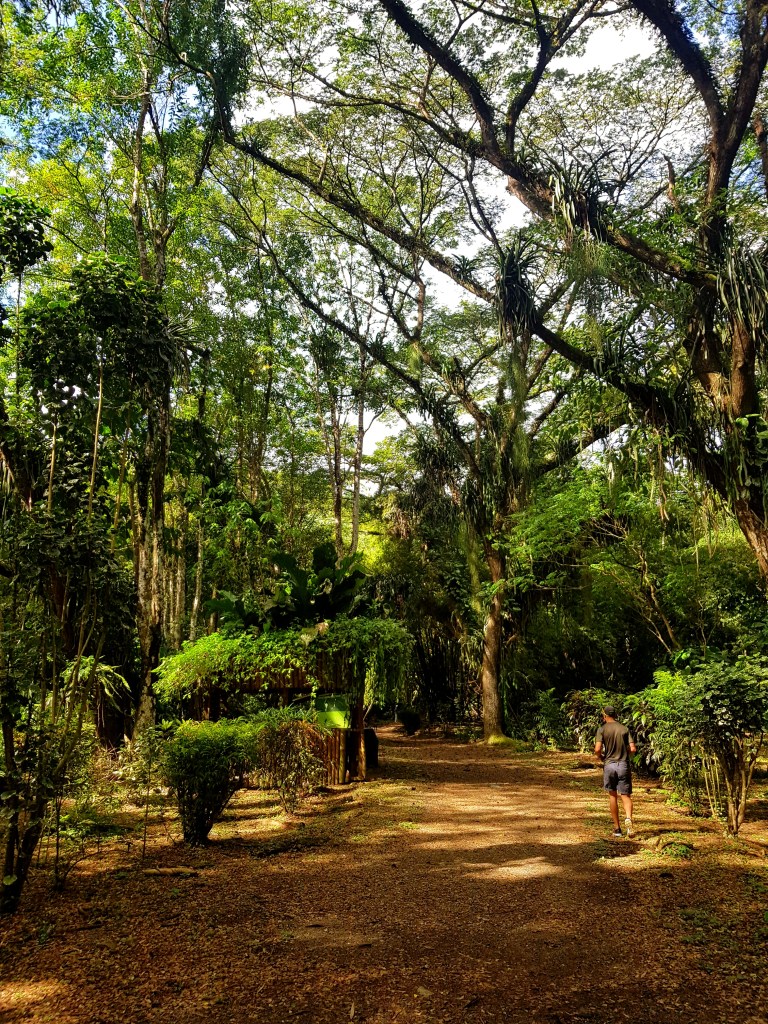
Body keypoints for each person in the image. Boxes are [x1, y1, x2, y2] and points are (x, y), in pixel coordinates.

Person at [594, 705, 637, 837]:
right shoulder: (624, 729)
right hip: (623, 764)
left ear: (605, 716)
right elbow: (633, 749)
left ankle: (617, 829)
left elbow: (597, 749)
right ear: (615, 715)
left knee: (613, 795)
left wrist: (601, 757)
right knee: (625, 795)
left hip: (609, 765)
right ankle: (628, 819)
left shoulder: (602, 729)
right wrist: (626, 753)